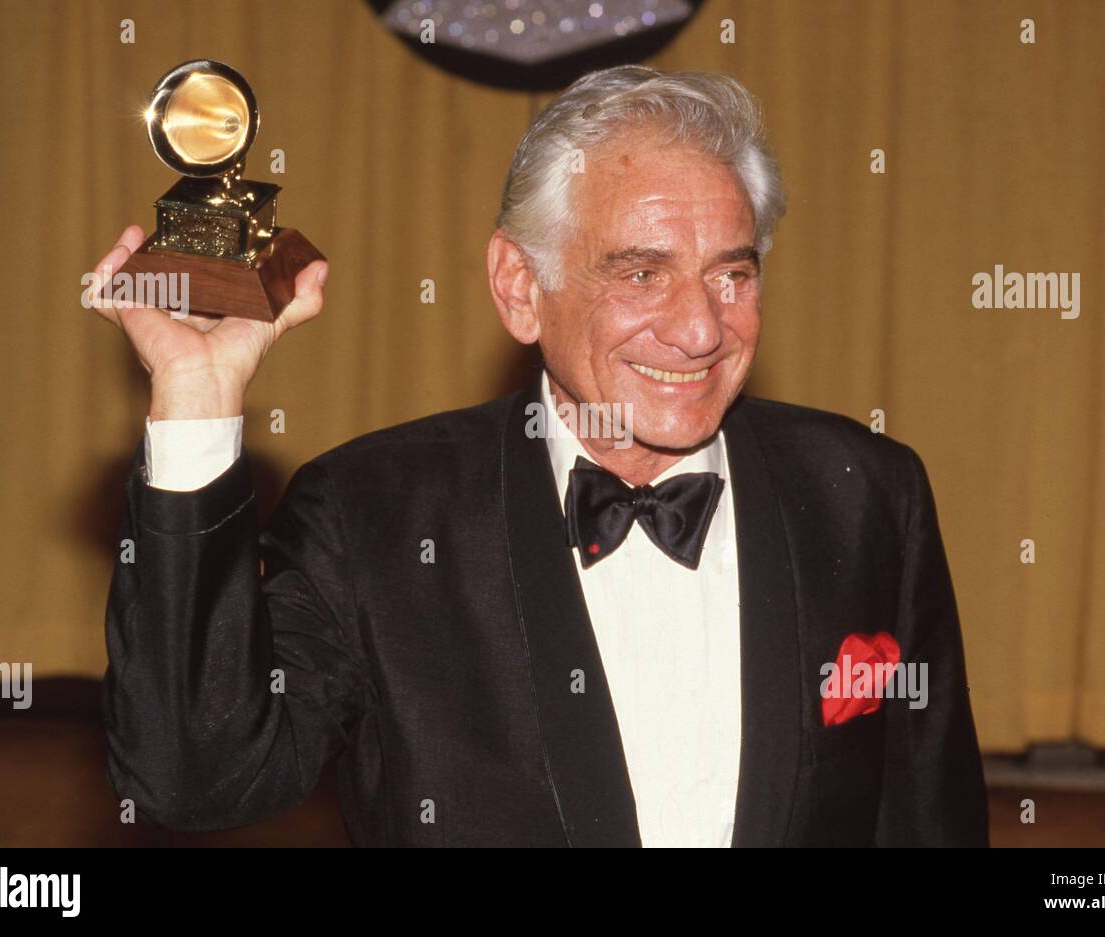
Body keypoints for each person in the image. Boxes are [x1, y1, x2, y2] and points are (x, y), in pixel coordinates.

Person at [92, 65, 988, 847]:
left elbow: (927, 820)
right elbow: (196, 780)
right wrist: (196, 398)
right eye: (641, 273)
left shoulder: (864, 493)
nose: (700, 327)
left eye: (732, 273)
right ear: (522, 288)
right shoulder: (375, 516)